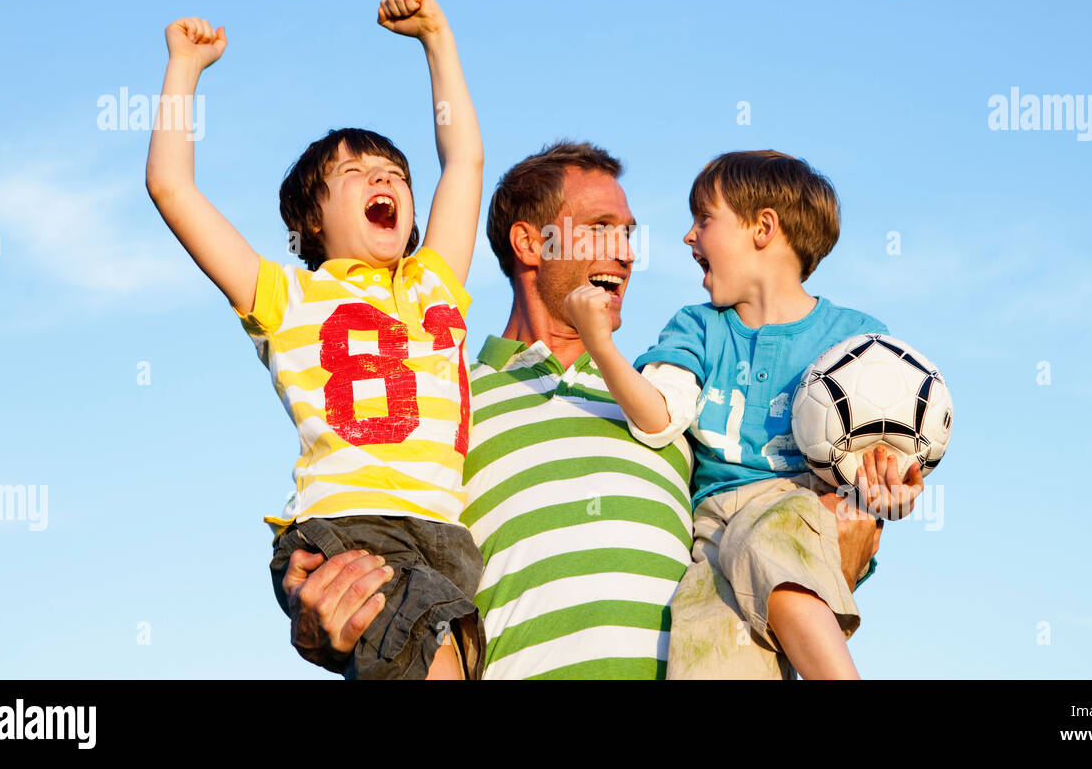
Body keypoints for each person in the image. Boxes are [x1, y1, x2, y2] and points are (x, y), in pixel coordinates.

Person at [281, 143, 902, 679]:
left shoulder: (672, 404)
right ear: (529, 242)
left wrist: (865, 508)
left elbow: (770, 532)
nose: (628, 254)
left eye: (628, 235)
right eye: (603, 228)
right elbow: (371, 541)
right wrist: (321, 598)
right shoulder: (444, 408)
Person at [144, 0, 486, 679]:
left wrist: (437, 39)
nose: (381, 179)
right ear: (312, 223)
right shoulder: (288, 294)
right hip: (353, 529)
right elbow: (171, 189)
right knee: (435, 659)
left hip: (445, 541)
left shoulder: (435, 283)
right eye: (354, 174)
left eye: (393, 174)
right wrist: (184, 68)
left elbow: (465, 161)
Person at [564, 149, 924, 679]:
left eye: (704, 219)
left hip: (805, 511)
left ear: (763, 228)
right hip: (713, 533)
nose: (689, 236)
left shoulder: (856, 340)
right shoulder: (696, 328)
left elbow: (884, 462)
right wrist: (601, 345)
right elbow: (660, 416)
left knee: (768, 536)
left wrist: (890, 491)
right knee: (702, 635)